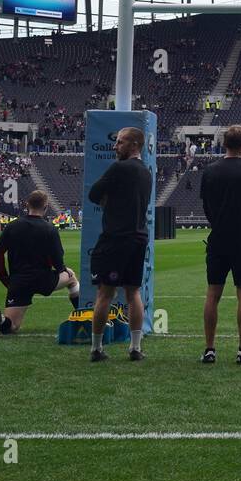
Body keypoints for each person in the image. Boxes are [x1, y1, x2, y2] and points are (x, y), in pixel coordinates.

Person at [199, 125, 241, 365]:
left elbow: (206, 206)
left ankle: (209, 349)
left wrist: (217, 224)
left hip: (218, 237)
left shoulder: (210, 171)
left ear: (224, 143)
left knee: (213, 292)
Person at [88, 127, 153, 362]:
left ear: (134, 144)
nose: (115, 147)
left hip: (115, 238)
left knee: (105, 293)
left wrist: (108, 201)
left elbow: (94, 193)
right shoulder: (147, 172)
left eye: (120, 142)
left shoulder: (118, 168)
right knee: (133, 291)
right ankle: (135, 347)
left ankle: (96, 348)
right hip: (138, 237)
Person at [0, 190, 80, 338]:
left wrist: (6, 279)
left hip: (19, 281)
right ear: (46, 207)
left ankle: (0, 320)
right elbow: (57, 259)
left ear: (27, 205)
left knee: (12, 326)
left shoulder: (12, 227)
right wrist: (62, 269)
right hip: (44, 280)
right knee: (71, 277)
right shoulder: (50, 229)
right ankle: (82, 315)